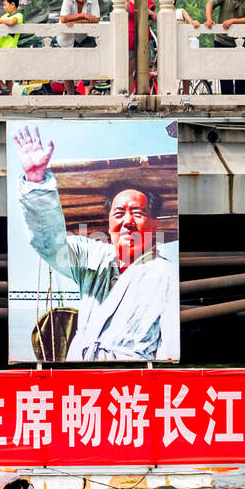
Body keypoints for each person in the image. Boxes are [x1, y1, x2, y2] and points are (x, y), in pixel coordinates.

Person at [13, 125, 179, 362]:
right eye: (119, 213)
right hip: (80, 375)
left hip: (132, 382)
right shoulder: (93, 257)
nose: (127, 222)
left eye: (138, 213)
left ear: (154, 224)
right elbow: (49, 242)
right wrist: (36, 181)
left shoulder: (167, 274)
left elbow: (170, 347)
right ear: (109, 222)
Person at [204, 0, 245, 95]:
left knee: (242, 73)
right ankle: (226, 101)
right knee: (224, 72)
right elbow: (209, 4)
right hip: (221, 40)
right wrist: (209, 19)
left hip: (241, 41)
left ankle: (240, 101)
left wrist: (233, 21)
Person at [57, 0, 101, 95]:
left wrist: (74, 19)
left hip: (83, 37)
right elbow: (64, 19)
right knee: (67, 69)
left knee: (92, 57)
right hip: (66, 39)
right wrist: (83, 16)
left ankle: (90, 90)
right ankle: (71, 94)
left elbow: (96, 20)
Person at [0, 0, 23, 96]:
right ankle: (4, 88)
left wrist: (0, 21)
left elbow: (12, 22)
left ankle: (9, 95)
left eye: (5, 5)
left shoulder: (18, 16)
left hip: (11, 49)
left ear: (13, 4)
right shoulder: (4, 16)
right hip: (1, 49)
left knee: (9, 76)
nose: (4, 7)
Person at [124, 0, 156, 88]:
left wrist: (150, 12)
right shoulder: (122, 0)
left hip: (144, 37)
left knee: (144, 70)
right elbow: (126, 12)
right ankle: (128, 95)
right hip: (130, 37)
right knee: (129, 69)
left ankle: (143, 92)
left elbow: (155, 19)